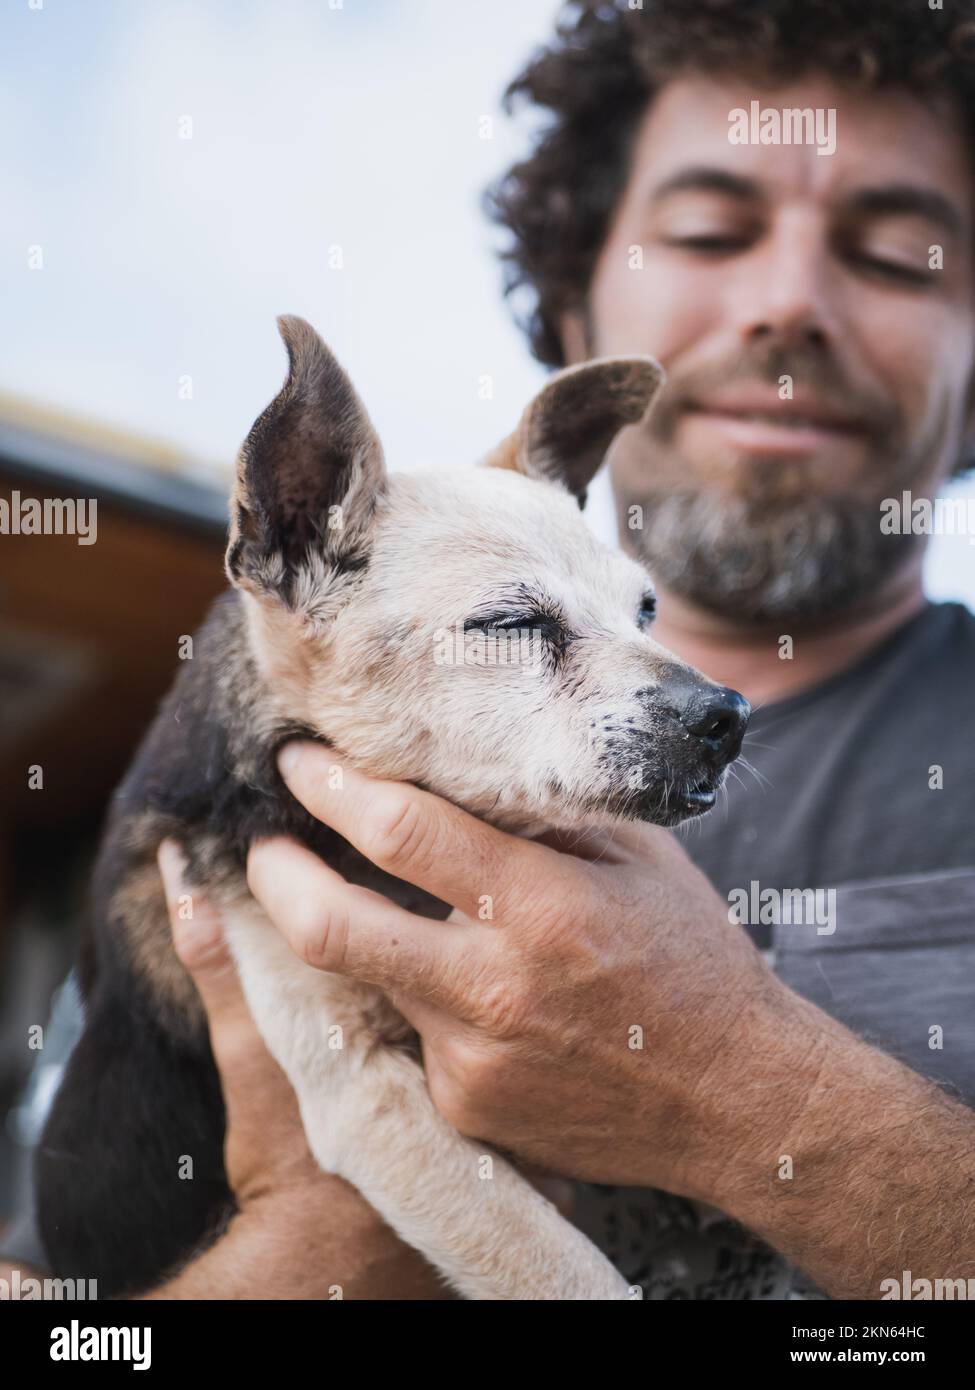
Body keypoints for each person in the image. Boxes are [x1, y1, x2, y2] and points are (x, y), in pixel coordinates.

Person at [3, 0, 974, 1300]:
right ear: (575, 301)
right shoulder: (198, 873)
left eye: (899, 252)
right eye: (708, 230)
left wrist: (746, 1090)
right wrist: (311, 1240)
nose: (788, 305)